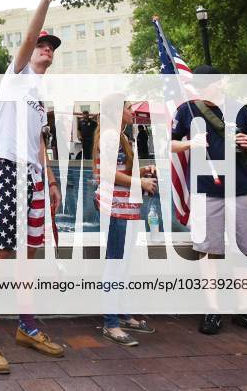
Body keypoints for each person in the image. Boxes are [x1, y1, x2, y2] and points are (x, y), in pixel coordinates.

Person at [0, 0, 68, 373]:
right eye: (42, 44)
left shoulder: (39, 93)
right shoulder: (16, 77)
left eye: (50, 46)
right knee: (3, 250)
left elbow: (39, 141)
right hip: (8, 169)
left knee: (29, 251)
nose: (45, 47)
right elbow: (28, 38)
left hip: (32, 173)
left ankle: (26, 326)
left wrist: (51, 177)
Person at [171, 65, 247, 336]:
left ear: (220, 82)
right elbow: (167, 144)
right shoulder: (187, 110)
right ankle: (212, 310)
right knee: (208, 251)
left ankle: (245, 311)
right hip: (206, 189)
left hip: (241, 187)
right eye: (199, 84)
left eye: (208, 83)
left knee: (244, 249)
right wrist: (189, 144)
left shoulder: (239, 109)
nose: (203, 88)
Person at [94, 103, 157, 346]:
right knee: (115, 265)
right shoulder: (110, 136)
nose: (132, 112)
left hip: (126, 210)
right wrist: (141, 182)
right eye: (128, 107)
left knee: (123, 265)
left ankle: (122, 315)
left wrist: (142, 172)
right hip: (116, 211)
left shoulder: (120, 136)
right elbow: (108, 174)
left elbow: (122, 170)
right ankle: (111, 324)